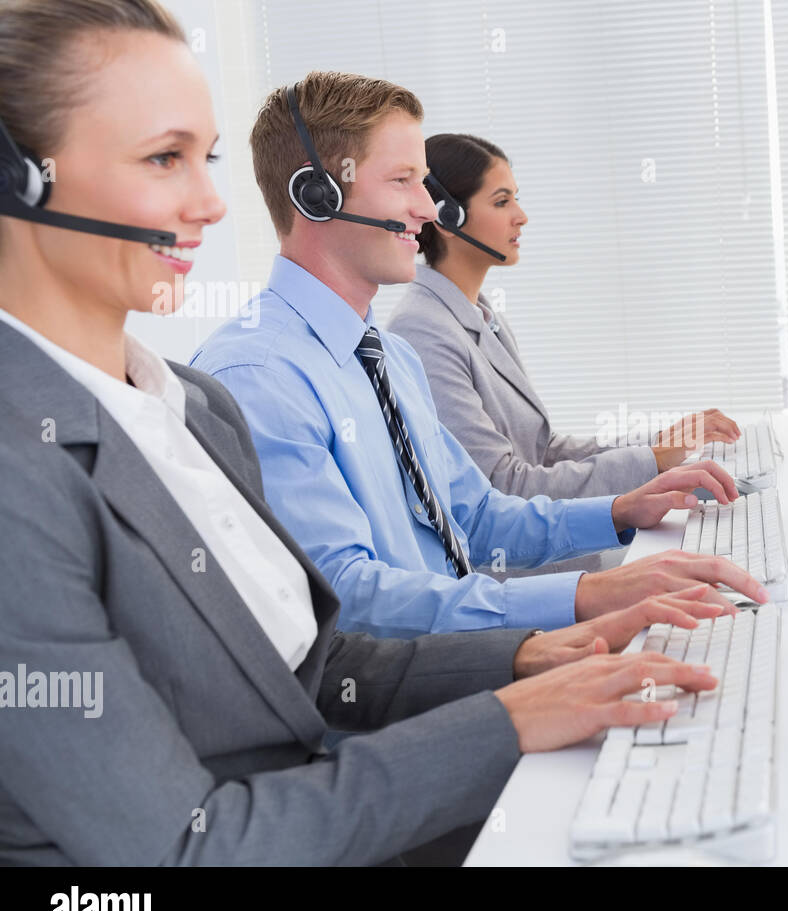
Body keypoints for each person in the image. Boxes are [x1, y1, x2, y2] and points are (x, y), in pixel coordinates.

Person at [0, 0, 722, 866]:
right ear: (17, 177)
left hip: (357, 777)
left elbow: (321, 661)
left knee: (692, 779)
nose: (211, 205)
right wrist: (505, 717)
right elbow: (184, 847)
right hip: (305, 824)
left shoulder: (193, 405)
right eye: (164, 157)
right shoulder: (43, 466)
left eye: (207, 159)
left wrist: (530, 656)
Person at [191, 71, 768, 641]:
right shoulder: (259, 378)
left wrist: (620, 510)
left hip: (465, 653)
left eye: (424, 183)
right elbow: (346, 597)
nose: (428, 209)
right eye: (402, 181)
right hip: (415, 686)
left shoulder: (388, 357)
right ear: (316, 196)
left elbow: (476, 514)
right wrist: (586, 595)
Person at [387, 132, 742, 500]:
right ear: (447, 217)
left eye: (516, 199)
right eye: (502, 202)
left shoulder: (482, 316)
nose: (521, 217)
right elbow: (502, 485)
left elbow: (542, 452)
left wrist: (661, 443)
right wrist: (653, 460)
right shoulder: (423, 331)